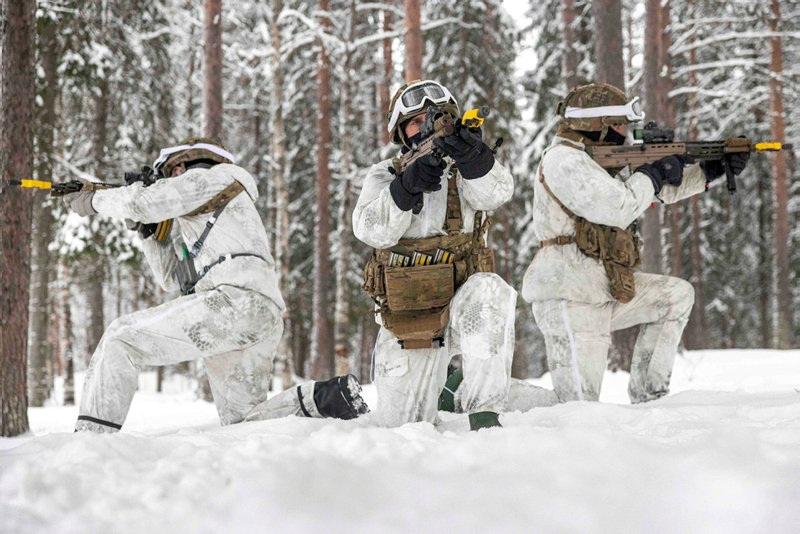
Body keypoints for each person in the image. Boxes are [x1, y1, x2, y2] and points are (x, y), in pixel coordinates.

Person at [62, 137, 367, 432]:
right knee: (243, 422)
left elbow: (141, 203)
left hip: (233, 302)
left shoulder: (212, 178)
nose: (169, 181)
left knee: (121, 337)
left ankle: (90, 441)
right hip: (254, 312)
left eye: (169, 175)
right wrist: (151, 236)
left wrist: (94, 199)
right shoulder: (211, 213)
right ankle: (327, 397)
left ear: (186, 164)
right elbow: (170, 278)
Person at [521, 83, 750, 403]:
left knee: (675, 297)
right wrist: (653, 173)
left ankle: (650, 399)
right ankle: (478, 394)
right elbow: (618, 206)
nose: (624, 132)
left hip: (603, 287)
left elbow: (657, 191)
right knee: (576, 409)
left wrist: (709, 172)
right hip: (569, 296)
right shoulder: (564, 160)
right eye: (617, 125)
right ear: (595, 125)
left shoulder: (594, 162)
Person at [354, 80, 517, 430]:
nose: (427, 123)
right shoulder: (385, 174)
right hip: (407, 317)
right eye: (416, 121)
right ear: (401, 132)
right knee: (403, 429)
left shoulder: (465, 170)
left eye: (439, 116)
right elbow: (368, 229)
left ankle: (485, 417)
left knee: (490, 290)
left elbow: (499, 193)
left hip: (464, 306)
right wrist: (404, 188)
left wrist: (475, 158)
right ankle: (451, 388)